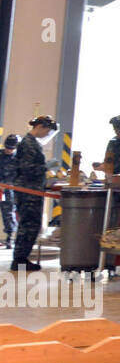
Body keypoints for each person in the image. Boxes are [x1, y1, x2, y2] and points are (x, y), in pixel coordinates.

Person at [10, 115, 56, 271]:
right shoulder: (29, 144)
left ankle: (21, 258)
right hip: (29, 190)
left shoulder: (31, 143)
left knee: (29, 224)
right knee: (29, 224)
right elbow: (28, 168)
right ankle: (20, 259)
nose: (47, 134)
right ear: (40, 127)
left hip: (32, 189)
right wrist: (46, 167)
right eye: (47, 131)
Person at [0, 135, 18, 250]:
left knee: (8, 214)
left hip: (8, 191)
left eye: (11, 148)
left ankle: (9, 238)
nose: (9, 150)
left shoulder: (17, 159)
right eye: (7, 147)